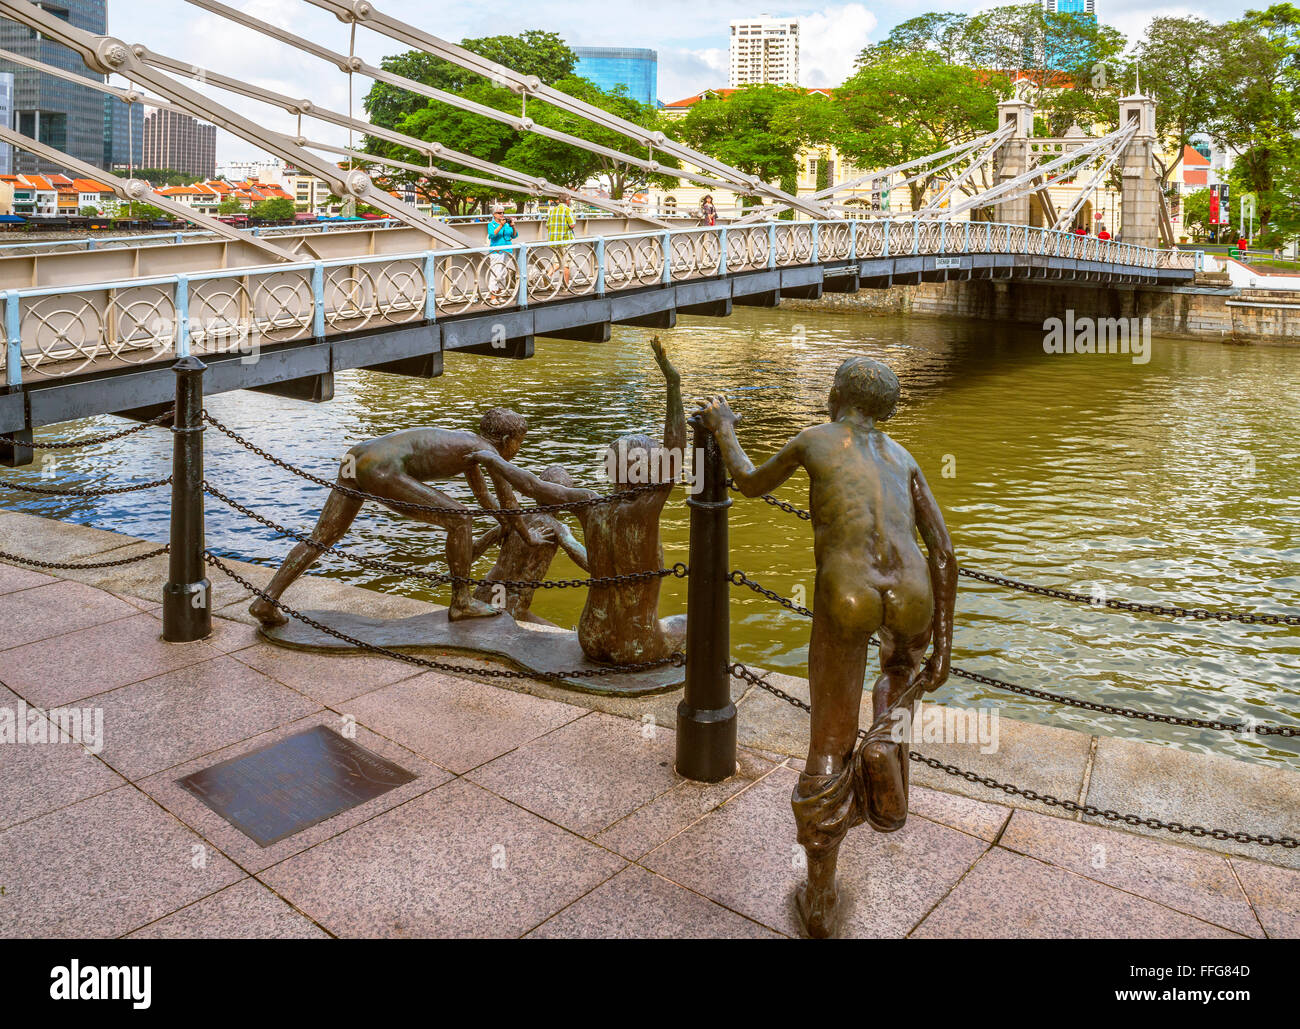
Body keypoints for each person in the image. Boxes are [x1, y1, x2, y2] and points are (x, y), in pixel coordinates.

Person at [693, 357, 957, 939]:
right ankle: (887, 731)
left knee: (828, 744)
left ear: (836, 396)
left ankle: (819, 894)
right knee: (902, 665)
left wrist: (724, 426)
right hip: (913, 591)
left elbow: (749, 481)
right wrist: (943, 647)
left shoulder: (815, 438)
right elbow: (944, 555)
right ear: (887, 410)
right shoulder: (903, 456)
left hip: (848, 593)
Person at [469, 336, 687, 664]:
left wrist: (495, 461)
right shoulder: (644, 510)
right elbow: (676, 451)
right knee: (688, 622)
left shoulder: (589, 504)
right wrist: (673, 384)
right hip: (632, 645)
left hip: (590, 636)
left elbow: (533, 486)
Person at [249, 409, 547, 627]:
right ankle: (461, 602)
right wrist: (528, 535)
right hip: (382, 467)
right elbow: (507, 501)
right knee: (461, 519)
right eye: (519, 442)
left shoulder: (471, 446)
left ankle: (267, 599)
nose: (518, 449)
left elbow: (488, 500)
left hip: (359, 456)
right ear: (507, 439)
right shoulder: (487, 452)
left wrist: (507, 526)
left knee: (323, 536)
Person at [471, 465, 589, 624]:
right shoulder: (557, 528)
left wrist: (454, 571)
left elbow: (478, 546)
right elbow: (583, 558)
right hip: (512, 606)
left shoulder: (516, 519)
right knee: (560, 633)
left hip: (483, 593)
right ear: (565, 499)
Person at [544, 193, 577, 288]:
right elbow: (572, 225)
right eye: (570, 199)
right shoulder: (567, 210)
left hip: (554, 241)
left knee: (557, 261)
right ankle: (566, 285)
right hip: (566, 240)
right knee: (567, 263)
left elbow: (547, 225)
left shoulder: (553, 211)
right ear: (567, 200)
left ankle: (549, 275)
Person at [485, 205, 517, 300]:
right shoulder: (491, 224)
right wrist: (501, 225)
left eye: (503, 213)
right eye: (499, 213)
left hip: (507, 251)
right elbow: (492, 235)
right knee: (496, 273)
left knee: (503, 274)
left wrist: (513, 226)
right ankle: (493, 297)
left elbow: (514, 236)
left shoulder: (507, 224)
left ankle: (499, 294)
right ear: (494, 214)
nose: (502, 215)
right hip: (496, 251)